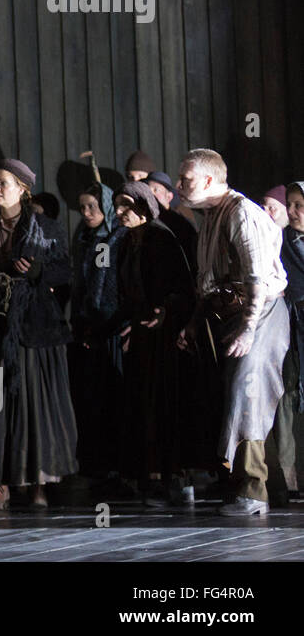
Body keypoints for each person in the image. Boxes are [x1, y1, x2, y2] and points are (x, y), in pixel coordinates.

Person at [176, 149, 290, 516]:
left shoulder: (241, 212)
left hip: (262, 313)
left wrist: (248, 330)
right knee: (237, 395)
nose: (180, 185)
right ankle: (268, 488)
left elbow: (257, 278)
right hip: (231, 314)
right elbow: (208, 281)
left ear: (210, 180)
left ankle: (252, 493)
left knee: (248, 391)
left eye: (186, 179)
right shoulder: (210, 216)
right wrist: (195, 322)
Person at [0, 160, 78, 509]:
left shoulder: (47, 227)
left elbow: (65, 272)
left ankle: (38, 482)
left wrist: (38, 271)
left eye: (4, 183)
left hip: (35, 328)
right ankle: (1, 482)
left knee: (35, 406)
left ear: (22, 189)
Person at [113, 182, 209, 506]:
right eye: (118, 205)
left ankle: (174, 479)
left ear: (143, 207)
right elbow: (127, 294)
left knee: (165, 405)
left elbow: (183, 287)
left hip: (165, 337)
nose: (119, 212)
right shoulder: (127, 242)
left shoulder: (162, 238)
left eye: (126, 205)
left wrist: (165, 310)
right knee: (143, 405)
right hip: (142, 335)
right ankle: (150, 478)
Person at [68, 158, 127, 482]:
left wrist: (106, 321)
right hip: (89, 327)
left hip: (112, 327)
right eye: (82, 208)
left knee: (113, 399)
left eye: (92, 206)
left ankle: (117, 465)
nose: (87, 213)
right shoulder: (84, 239)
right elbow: (82, 282)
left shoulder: (117, 238)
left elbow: (113, 285)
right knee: (92, 400)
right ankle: (97, 464)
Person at [269, 182, 304, 500]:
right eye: (289, 205)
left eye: (299, 206)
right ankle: (288, 477)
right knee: (287, 397)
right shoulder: (280, 243)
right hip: (290, 329)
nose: (292, 212)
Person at [144, 171, 199, 266]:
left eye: (156, 190)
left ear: (169, 197)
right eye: (147, 191)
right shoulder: (142, 221)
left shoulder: (181, 224)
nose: (150, 195)